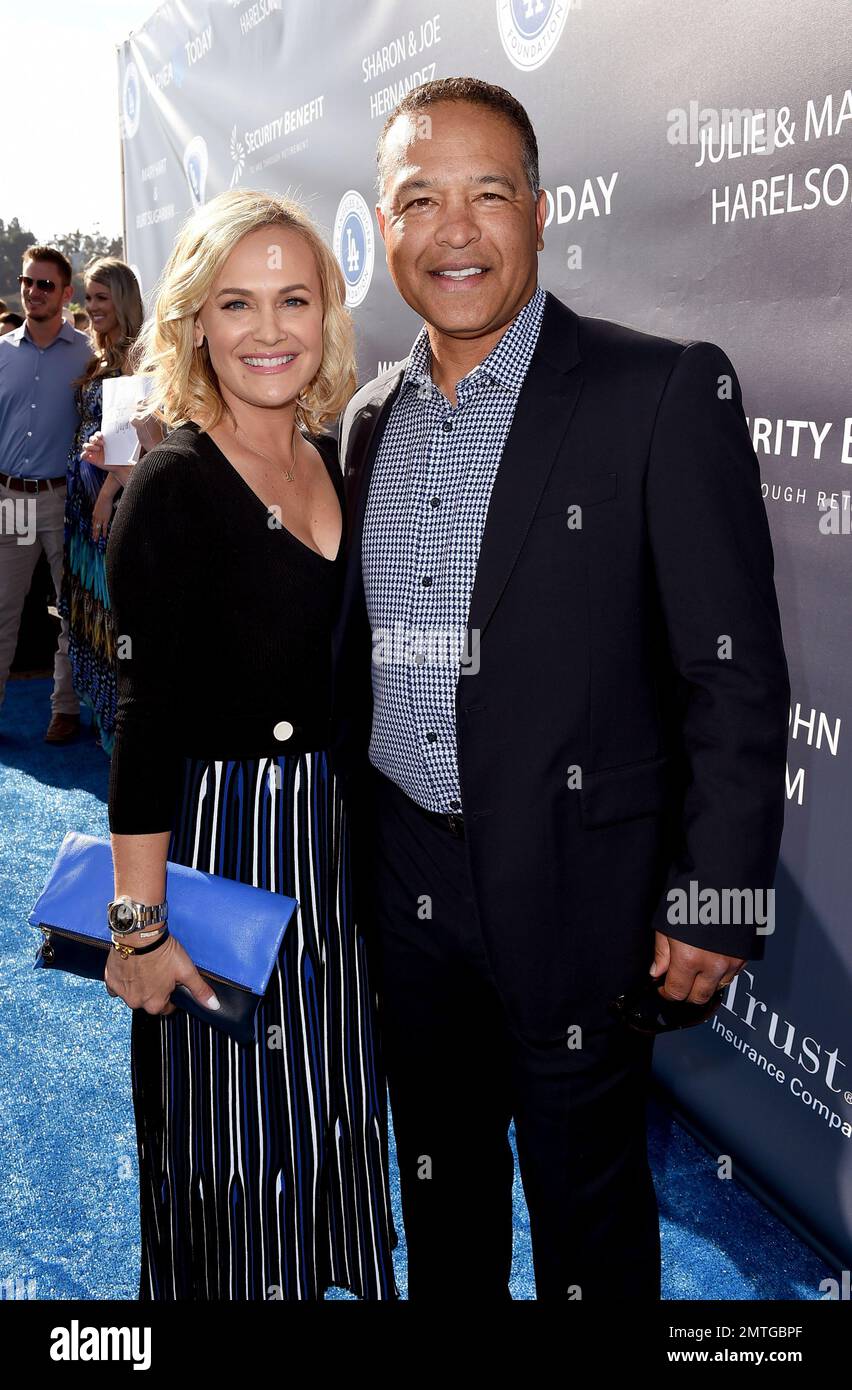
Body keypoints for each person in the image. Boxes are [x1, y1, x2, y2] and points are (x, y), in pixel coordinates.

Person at [331, 77, 791, 1301]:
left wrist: (720, 897)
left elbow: (733, 679)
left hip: (582, 891)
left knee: (591, 1224)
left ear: (541, 211)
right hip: (404, 886)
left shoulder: (661, 390)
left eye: (489, 193)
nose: (457, 229)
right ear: (384, 230)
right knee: (442, 1204)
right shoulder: (368, 419)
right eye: (420, 200)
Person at [103, 187, 398, 1301]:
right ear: (193, 325)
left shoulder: (333, 454)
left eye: (294, 298)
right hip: (220, 853)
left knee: (326, 1114)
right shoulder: (174, 486)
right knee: (231, 1147)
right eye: (237, 303)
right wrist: (137, 932)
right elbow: (143, 723)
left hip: (337, 857)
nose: (269, 329)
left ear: (327, 314)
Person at [0, 247, 93, 742]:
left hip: (62, 499)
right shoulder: (1, 353)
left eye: (45, 285)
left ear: (65, 293)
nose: (33, 292)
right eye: (27, 282)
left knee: (69, 611)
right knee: (2, 610)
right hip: (10, 498)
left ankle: (66, 709)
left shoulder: (87, 355)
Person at [56, 258, 143, 754]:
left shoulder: (135, 357)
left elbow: (132, 441)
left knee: (112, 616)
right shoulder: (101, 355)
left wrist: (107, 498)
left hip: (108, 502)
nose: (91, 308)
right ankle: (108, 727)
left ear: (123, 301)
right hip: (82, 502)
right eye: (88, 298)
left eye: (101, 298)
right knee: (89, 614)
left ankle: (119, 732)